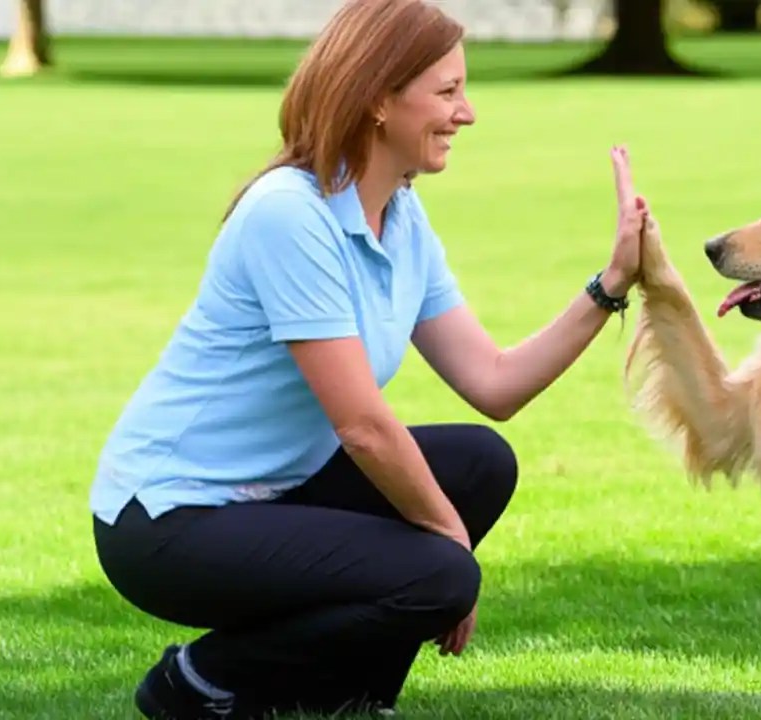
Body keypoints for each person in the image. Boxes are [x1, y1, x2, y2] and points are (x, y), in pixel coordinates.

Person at [88, 1, 652, 718]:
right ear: (381, 100)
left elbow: (495, 383)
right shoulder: (288, 214)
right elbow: (361, 425)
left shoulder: (402, 217)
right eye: (448, 92)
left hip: (274, 492)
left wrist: (611, 284)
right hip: (167, 520)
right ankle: (202, 682)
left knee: (481, 462)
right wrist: (452, 549)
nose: (467, 113)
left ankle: (350, 698)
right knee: (438, 571)